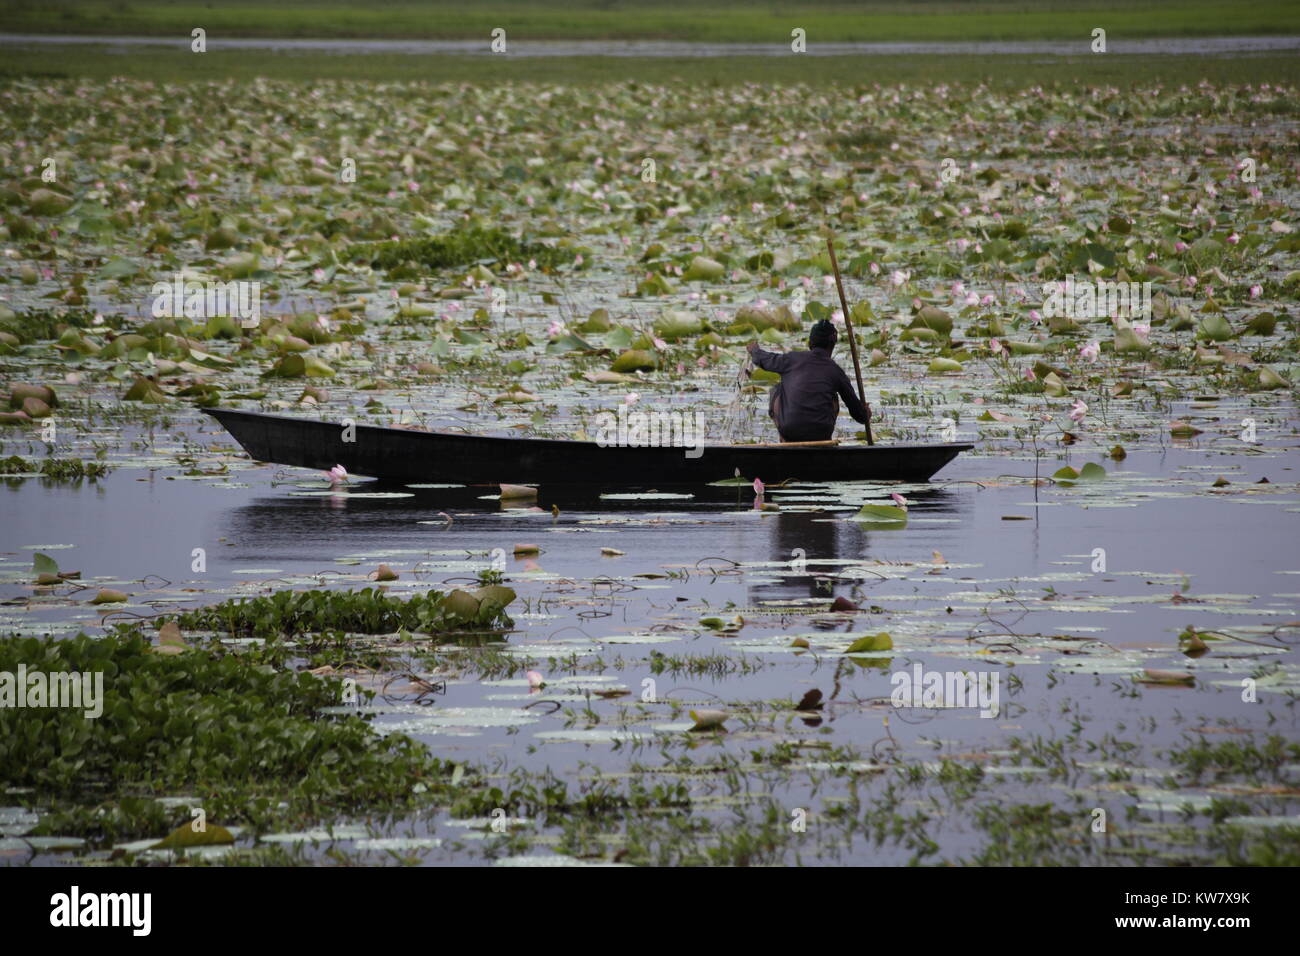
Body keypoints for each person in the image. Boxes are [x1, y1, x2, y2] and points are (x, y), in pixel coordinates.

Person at [746, 319, 871, 443]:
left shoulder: (791, 359)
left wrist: (754, 350)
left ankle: (784, 440)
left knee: (777, 389)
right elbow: (860, 416)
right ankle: (823, 443)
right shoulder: (836, 371)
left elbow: (763, 359)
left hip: (789, 430)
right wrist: (866, 413)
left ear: (810, 343)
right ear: (833, 343)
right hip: (821, 433)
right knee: (832, 396)